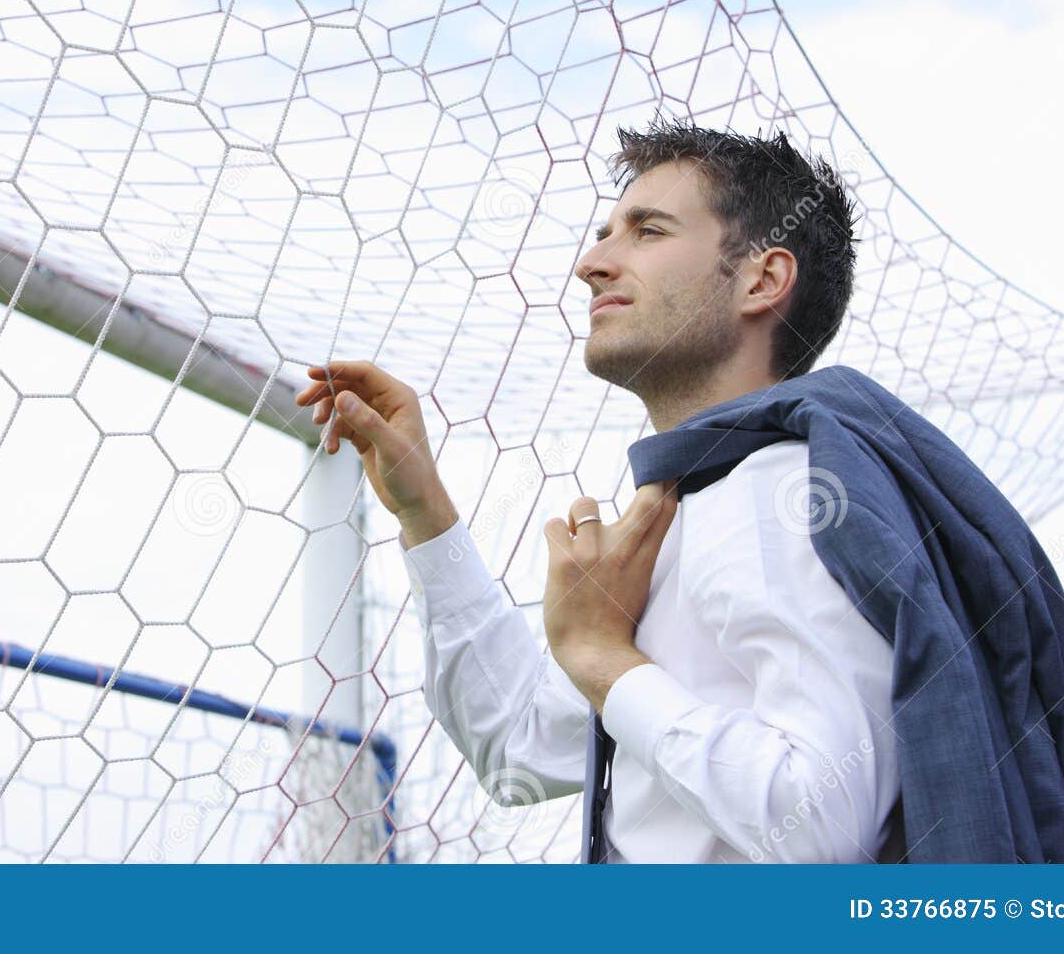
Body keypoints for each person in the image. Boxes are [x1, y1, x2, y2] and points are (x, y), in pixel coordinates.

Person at [293, 118, 899, 862]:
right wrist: (425, 510)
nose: (591, 263)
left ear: (763, 280)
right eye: (606, 231)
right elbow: (517, 743)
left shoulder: (789, 495)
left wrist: (605, 655)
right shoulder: (691, 506)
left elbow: (824, 826)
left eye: (645, 231)